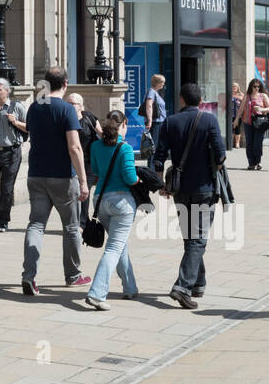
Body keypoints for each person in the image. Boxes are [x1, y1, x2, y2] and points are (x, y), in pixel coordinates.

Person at [153, 83, 225, 309]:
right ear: (201, 100)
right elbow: (221, 156)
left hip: (180, 189)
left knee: (190, 237)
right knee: (198, 239)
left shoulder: (170, 122)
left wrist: (162, 184)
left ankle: (198, 283)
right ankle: (182, 287)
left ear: (181, 99)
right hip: (204, 188)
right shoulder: (210, 120)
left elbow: (159, 157)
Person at [20, 67, 92, 295]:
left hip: (37, 174)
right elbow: (75, 147)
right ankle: (73, 275)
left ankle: (29, 275)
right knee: (71, 227)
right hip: (62, 176)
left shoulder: (34, 106)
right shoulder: (67, 110)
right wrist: (83, 180)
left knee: (36, 225)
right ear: (66, 83)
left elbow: (31, 133)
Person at [84, 110, 138, 310]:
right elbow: (130, 177)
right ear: (123, 124)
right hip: (121, 202)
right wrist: (140, 180)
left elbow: (96, 171)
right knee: (114, 248)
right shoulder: (125, 148)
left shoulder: (96, 146)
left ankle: (130, 287)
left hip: (100, 200)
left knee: (119, 244)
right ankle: (97, 293)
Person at [0, 78, 27, 233]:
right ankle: (0, 208)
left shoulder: (17, 107)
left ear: (7, 91)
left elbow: (29, 128)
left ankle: (2, 221)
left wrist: (15, 122)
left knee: (7, 188)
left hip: (12, 152)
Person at [68, 93, 100, 224]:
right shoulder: (65, 120)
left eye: (73, 104)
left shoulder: (89, 118)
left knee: (84, 191)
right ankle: (75, 220)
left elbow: (102, 134)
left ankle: (82, 222)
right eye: (67, 103)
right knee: (73, 193)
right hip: (71, 161)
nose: (69, 106)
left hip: (89, 162)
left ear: (81, 106)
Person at [240, 78, 269, 171]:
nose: (257, 88)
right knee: (249, 143)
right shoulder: (247, 96)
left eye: (258, 86)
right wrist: (236, 120)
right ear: (251, 86)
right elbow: (241, 109)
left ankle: (258, 161)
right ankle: (251, 163)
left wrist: (261, 109)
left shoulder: (263, 96)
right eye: (255, 86)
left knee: (257, 143)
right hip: (248, 123)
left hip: (260, 123)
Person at [144, 74, 169, 153]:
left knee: (156, 145)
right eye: (162, 82)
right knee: (153, 145)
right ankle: (151, 164)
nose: (163, 84)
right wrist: (150, 120)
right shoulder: (151, 92)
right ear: (157, 83)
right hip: (155, 123)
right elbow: (149, 105)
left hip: (158, 122)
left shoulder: (155, 92)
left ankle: (153, 164)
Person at [229, 83, 245, 150]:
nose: (234, 87)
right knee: (230, 129)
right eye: (233, 86)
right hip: (230, 114)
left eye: (235, 86)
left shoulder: (241, 94)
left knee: (237, 129)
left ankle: (237, 143)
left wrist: (237, 97)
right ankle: (230, 143)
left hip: (238, 115)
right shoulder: (229, 94)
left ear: (238, 87)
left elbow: (244, 102)